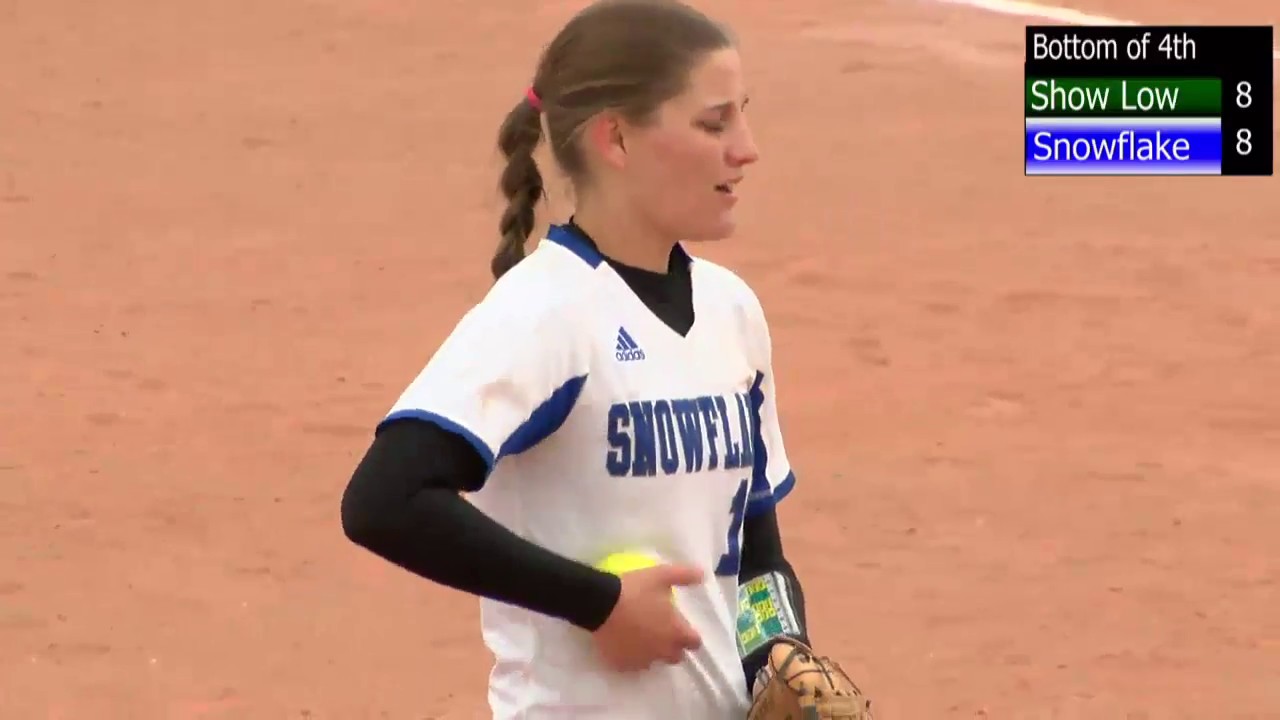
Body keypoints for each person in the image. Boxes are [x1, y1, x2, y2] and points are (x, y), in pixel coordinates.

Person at [340, 1, 816, 717]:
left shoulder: (731, 312)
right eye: (714, 123)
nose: (745, 148)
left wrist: (780, 654)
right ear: (616, 138)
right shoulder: (546, 313)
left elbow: (755, 552)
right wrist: (600, 604)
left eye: (741, 116)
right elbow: (385, 501)